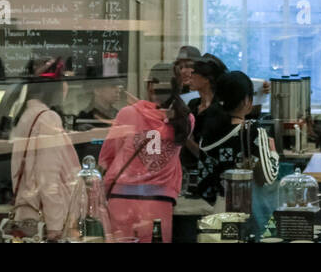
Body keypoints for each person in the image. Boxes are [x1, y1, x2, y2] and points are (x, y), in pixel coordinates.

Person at [99, 62, 193, 242]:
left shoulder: (127, 114)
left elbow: (106, 158)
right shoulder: (186, 119)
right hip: (159, 200)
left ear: (150, 86)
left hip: (121, 198)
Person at [189, 71, 279, 229]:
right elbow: (269, 176)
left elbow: (204, 184)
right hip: (249, 212)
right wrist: (272, 152)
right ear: (246, 100)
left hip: (218, 212)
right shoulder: (253, 131)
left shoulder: (208, 134)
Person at [10, 61, 84, 240]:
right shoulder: (48, 118)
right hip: (48, 221)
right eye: (63, 79)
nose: (66, 85)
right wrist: (55, 226)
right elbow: (48, 177)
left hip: (29, 213)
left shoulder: (26, 114)